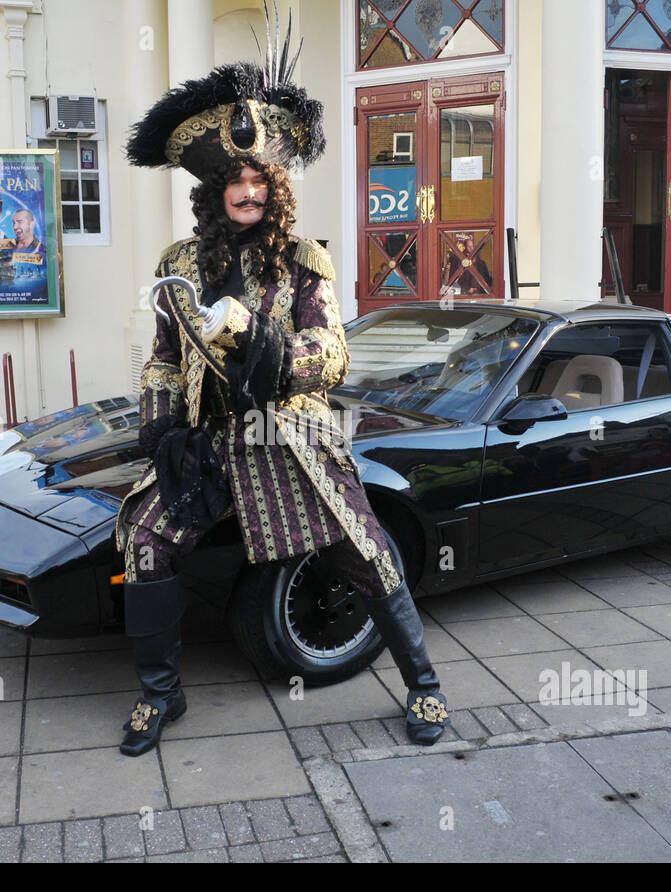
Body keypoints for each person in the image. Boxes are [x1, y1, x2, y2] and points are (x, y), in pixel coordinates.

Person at [115, 49, 451, 757]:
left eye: (258, 177)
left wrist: (248, 330)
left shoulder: (305, 260)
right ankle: (160, 693)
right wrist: (160, 422)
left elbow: (332, 354)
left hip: (288, 436)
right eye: (232, 178)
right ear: (212, 188)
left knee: (367, 550)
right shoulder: (178, 264)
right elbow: (165, 356)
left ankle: (423, 681)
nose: (247, 190)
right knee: (143, 541)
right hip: (207, 442)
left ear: (275, 184)